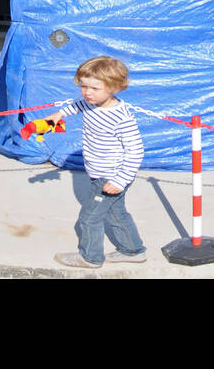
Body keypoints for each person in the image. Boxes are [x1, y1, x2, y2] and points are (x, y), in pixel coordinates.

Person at [46, 56, 146, 269]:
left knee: (89, 218)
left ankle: (90, 258)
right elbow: (76, 106)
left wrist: (120, 180)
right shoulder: (91, 103)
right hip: (99, 173)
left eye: (94, 88)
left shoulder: (121, 118)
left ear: (114, 88)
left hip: (110, 176)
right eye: (83, 86)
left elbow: (135, 151)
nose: (87, 92)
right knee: (116, 214)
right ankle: (133, 251)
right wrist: (57, 116)